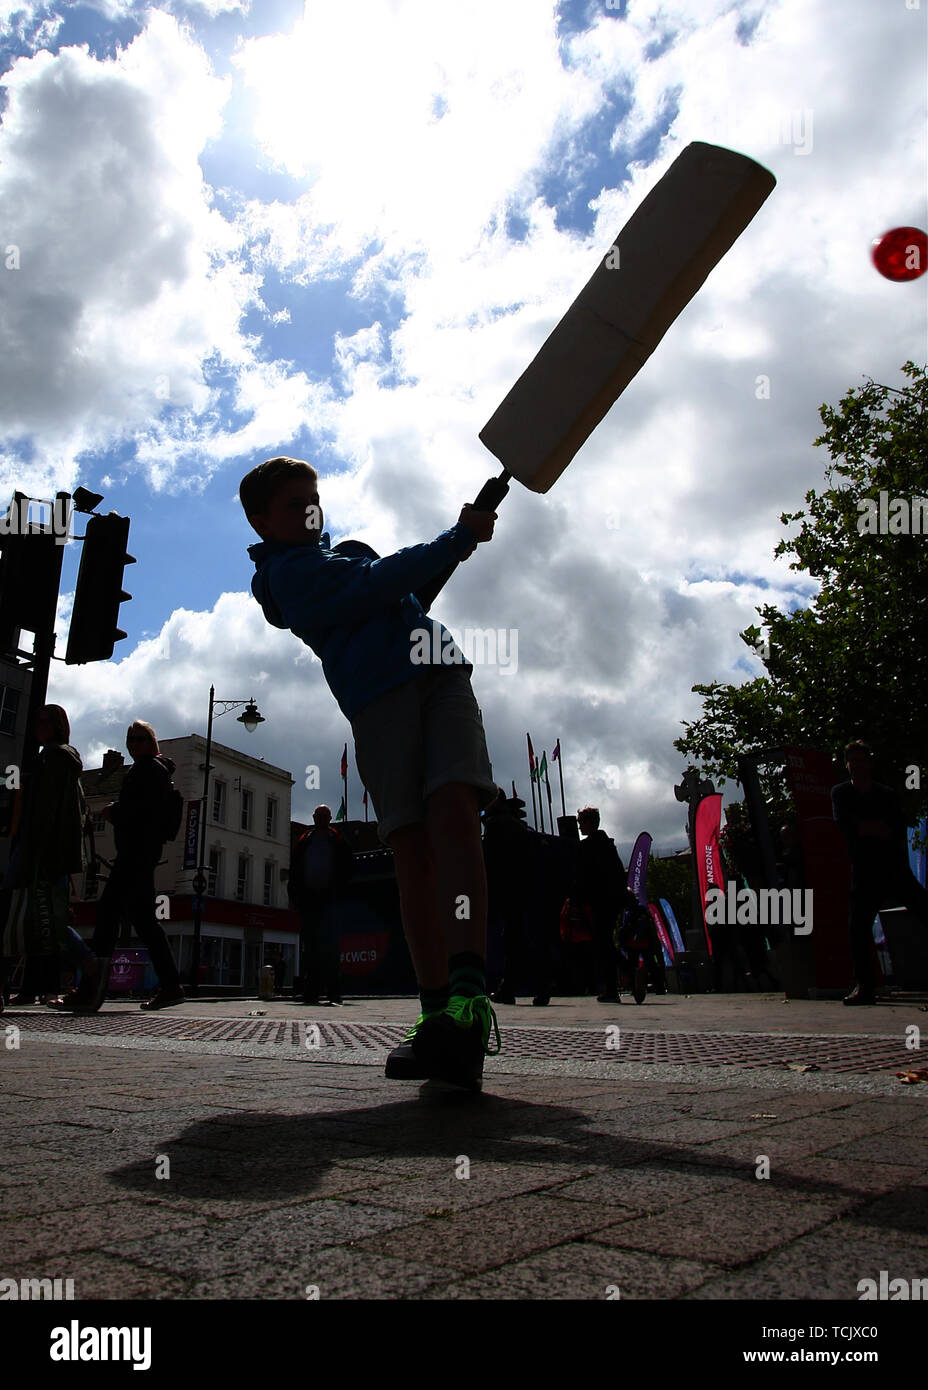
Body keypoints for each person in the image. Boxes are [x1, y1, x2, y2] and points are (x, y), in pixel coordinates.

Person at [242, 455, 501, 1087]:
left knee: (456, 815)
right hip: (379, 699)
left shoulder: (344, 559)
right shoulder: (285, 578)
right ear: (260, 521)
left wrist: (456, 547)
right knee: (412, 845)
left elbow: (402, 595)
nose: (311, 511)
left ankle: (467, 1001)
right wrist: (457, 537)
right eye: (294, 504)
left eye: (315, 498)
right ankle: (436, 1008)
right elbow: (374, 586)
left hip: (439, 669)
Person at [58, 720, 184, 1012]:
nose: (133, 744)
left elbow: (142, 812)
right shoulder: (157, 770)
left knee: (108, 915)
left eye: (140, 738)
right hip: (143, 853)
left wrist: (115, 812)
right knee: (144, 921)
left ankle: (91, 989)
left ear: (151, 741)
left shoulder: (147, 769)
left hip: (135, 853)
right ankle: (171, 985)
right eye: (130, 739)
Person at [2, 705, 94, 1003]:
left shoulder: (53, 758)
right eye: (36, 721)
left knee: (22, 915)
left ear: (56, 726)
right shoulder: (60, 761)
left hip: (37, 850)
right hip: (49, 852)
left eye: (43, 721)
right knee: (40, 918)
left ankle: (89, 964)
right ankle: (35, 987)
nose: (36, 727)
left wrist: (35, 849)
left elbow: (47, 811)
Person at [832, 739, 928, 1006]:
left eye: (862, 760)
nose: (858, 766)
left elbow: (894, 828)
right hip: (864, 870)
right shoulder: (841, 794)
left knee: (924, 910)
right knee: (857, 929)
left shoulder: (886, 794)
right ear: (847, 764)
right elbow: (848, 827)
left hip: (893, 866)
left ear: (869, 763)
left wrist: (866, 828)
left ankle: (865, 987)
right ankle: (865, 987)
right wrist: (873, 828)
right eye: (853, 761)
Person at [288, 804, 354, 1005]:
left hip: (330, 899)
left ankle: (334, 992)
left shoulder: (338, 839)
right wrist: (294, 896)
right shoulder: (304, 840)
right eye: (319, 815)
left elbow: (348, 867)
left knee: (331, 947)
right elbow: (295, 869)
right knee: (311, 948)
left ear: (330, 817)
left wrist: (342, 892)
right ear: (314, 817)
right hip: (309, 900)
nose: (322, 818)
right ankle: (312, 992)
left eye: (325, 815)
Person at [574, 806, 626, 1002]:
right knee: (606, 942)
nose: (579, 827)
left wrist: (577, 898)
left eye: (581, 823)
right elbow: (619, 872)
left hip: (597, 901)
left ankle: (615, 985)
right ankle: (616, 983)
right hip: (613, 900)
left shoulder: (586, 848)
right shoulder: (608, 845)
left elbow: (581, 877)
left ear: (589, 823)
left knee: (602, 944)